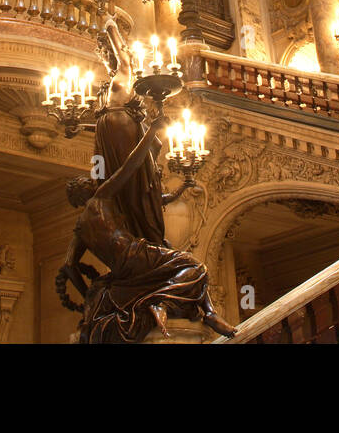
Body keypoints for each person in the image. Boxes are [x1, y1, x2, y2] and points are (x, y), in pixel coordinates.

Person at [58, 113, 236, 343]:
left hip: (123, 270)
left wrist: (86, 297)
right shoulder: (99, 200)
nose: (93, 180)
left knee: (185, 267)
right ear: (83, 193)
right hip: (137, 254)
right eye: (87, 182)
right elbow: (129, 168)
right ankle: (187, 308)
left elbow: (69, 266)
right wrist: (151, 131)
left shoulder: (80, 229)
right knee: (195, 266)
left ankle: (162, 303)